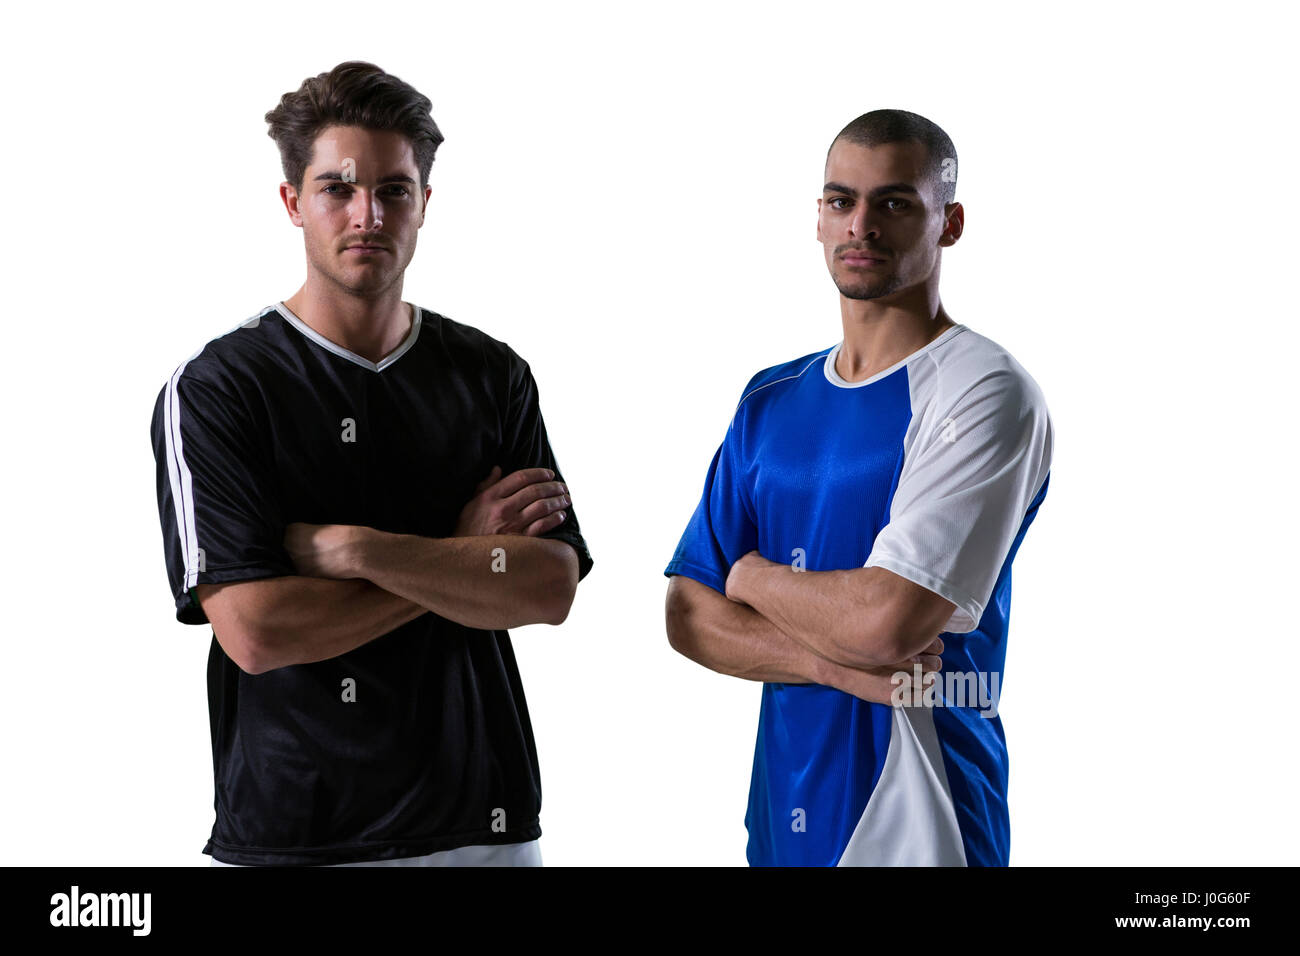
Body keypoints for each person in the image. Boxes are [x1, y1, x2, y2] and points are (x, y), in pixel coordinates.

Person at [150, 61, 592, 867]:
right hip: (296, 833)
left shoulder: (490, 374)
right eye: (338, 189)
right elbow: (255, 632)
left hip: (483, 826)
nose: (368, 215)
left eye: (394, 190)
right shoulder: (220, 389)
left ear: (424, 204)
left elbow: (548, 588)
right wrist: (458, 559)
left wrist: (358, 551)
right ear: (293, 203)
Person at [663, 109, 1053, 866]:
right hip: (782, 816)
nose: (862, 225)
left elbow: (888, 624)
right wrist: (826, 665)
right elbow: (686, 615)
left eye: (895, 203)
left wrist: (745, 573)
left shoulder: (983, 391)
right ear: (817, 218)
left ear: (951, 222)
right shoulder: (769, 399)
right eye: (842, 201)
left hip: (920, 818)